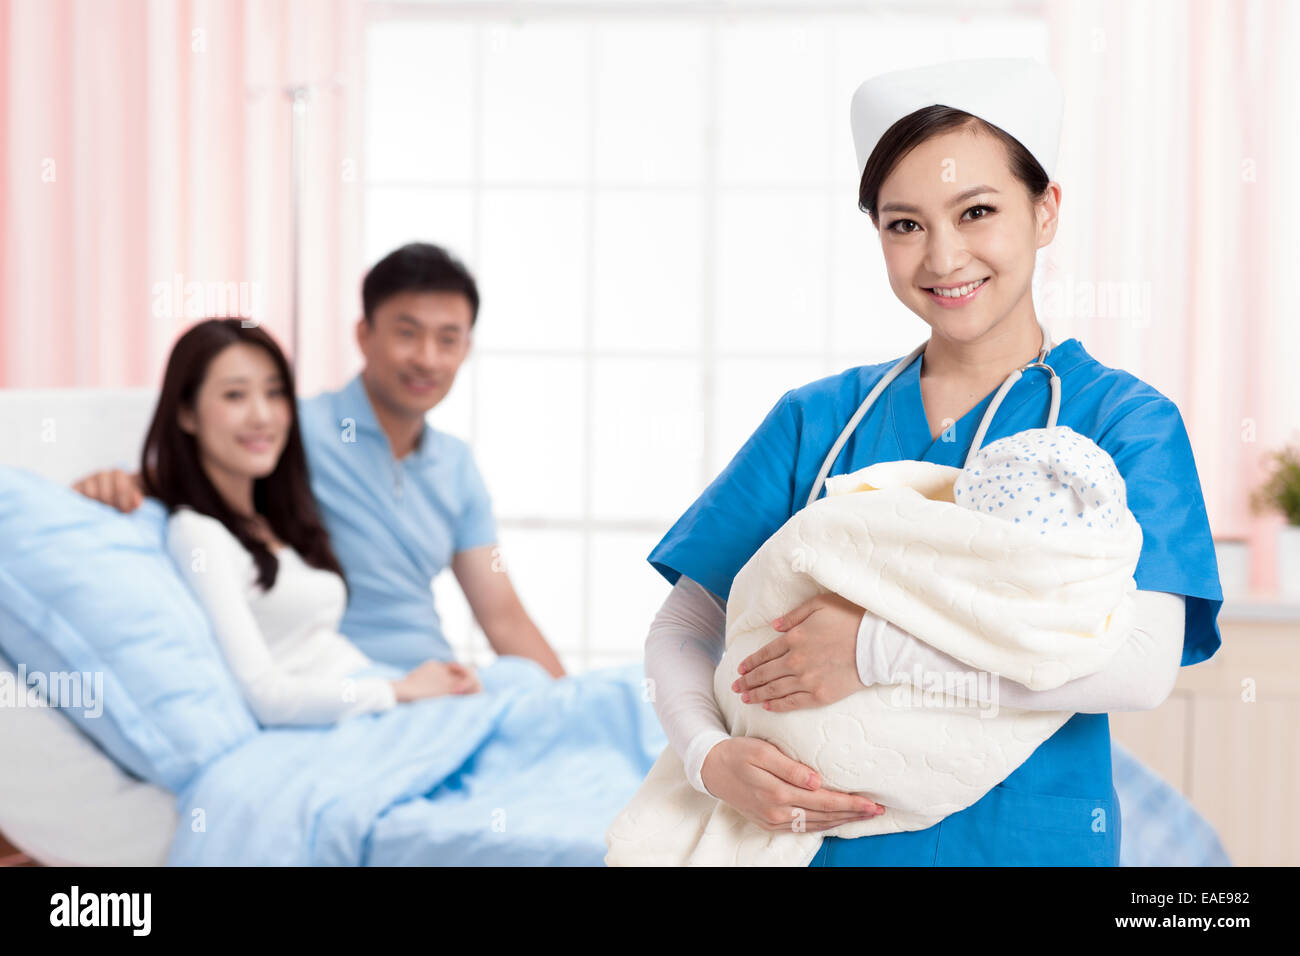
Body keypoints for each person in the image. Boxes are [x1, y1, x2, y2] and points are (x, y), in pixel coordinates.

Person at [641, 57, 1222, 866]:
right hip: (824, 848)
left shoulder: (1124, 422)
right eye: (904, 224)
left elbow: (1137, 669)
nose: (943, 258)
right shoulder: (821, 420)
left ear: (1046, 209)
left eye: (976, 211)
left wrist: (871, 652)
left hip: (1028, 843)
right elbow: (686, 622)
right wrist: (709, 759)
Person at [75, 243, 565, 679]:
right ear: (363, 335)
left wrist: (573, 704)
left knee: (558, 702)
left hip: (442, 681)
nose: (427, 359)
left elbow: (503, 618)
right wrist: (118, 483)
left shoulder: (455, 465)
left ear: (466, 348)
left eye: (447, 339)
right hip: (348, 684)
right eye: (407, 333)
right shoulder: (295, 430)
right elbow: (190, 473)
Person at [144, 318, 477, 725]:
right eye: (235, 396)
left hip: (371, 693)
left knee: (524, 688)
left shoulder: (277, 520)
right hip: (354, 714)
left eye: (275, 393)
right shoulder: (198, 535)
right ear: (187, 414)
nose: (262, 416)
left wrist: (418, 686)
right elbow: (268, 697)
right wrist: (401, 691)